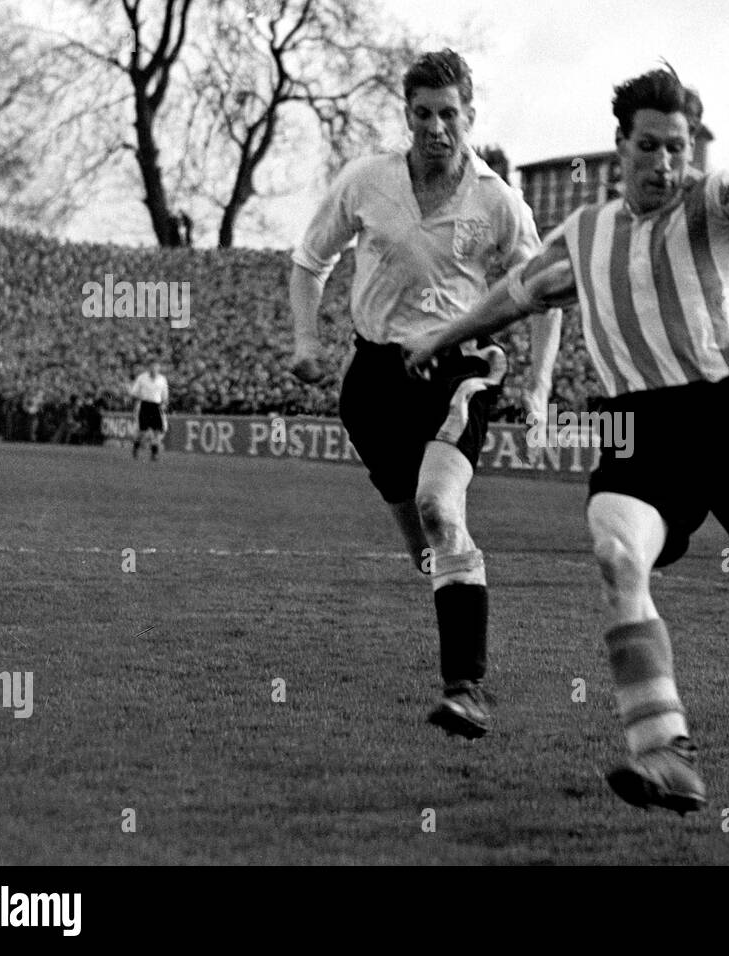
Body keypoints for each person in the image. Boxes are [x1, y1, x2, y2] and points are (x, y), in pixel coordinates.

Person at [405, 65, 729, 815]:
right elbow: (518, 291)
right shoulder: (587, 233)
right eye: (651, 147)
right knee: (616, 553)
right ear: (620, 147)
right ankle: (665, 751)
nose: (667, 163)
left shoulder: (717, 196)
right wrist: (447, 332)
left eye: (678, 147)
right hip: (639, 427)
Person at [288, 49, 561, 740]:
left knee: (442, 509)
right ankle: (456, 587)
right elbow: (310, 259)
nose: (437, 127)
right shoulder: (367, 182)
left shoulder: (497, 200)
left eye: (449, 114)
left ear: (469, 115)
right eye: (423, 114)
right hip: (372, 382)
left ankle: (465, 688)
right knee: (427, 552)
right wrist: (306, 344)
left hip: (459, 371)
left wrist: (538, 384)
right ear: (406, 116)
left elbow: (545, 291)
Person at [129, 360, 169, 460]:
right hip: (145, 405)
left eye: (156, 367)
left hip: (156, 406)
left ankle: (154, 454)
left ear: (159, 368)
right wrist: (141, 397)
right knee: (142, 431)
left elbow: (165, 395)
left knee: (156, 431)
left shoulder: (162, 379)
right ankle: (136, 448)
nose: (154, 369)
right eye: (152, 367)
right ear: (149, 368)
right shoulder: (142, 378)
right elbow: (134, 392)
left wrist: (164, 403)